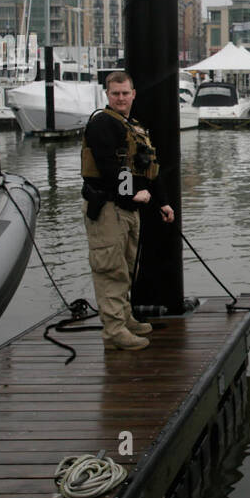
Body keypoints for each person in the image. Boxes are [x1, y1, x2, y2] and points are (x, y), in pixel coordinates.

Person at [80, 70, 175, 351]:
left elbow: (149, 170)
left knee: (126, 267)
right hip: (108, 207)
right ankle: (114, 331)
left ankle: (124, 318)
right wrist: (132, 194)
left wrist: (162, 201)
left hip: (129, 210)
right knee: (110, 269)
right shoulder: (101, 125)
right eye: (115, 93)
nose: (120, 98)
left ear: (133, 94)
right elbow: (109, 168)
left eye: (125, 93)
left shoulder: (134, 127)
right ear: (107, 95)